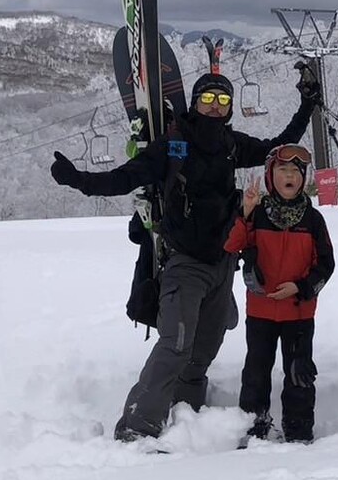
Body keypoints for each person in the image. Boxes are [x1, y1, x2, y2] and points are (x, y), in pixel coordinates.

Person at [51, 67, 321, 442]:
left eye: (222, 100)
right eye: (207, 99)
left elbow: (278, 147)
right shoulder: (173, 144)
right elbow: (125, 177)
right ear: (195, 104)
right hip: (185, 263)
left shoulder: (231, 144)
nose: (215, 106)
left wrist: (307, 105)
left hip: (223, 262)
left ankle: (186, 417)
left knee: (204, 349)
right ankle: (137, 426)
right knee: (176, 344)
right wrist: (79, 180)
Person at [223, 143, 334, 442]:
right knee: (256, 372)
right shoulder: (257, 214)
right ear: (271, 176)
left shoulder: (313, 220)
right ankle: (252, 427)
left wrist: (301, 287)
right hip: (260, 311)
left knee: (299, 374)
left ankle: (298, 431)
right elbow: (232, 245)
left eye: (296, 171)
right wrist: (246, 211)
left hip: (298, 312)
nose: (290, 176)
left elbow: (326, 265)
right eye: (283, 170)